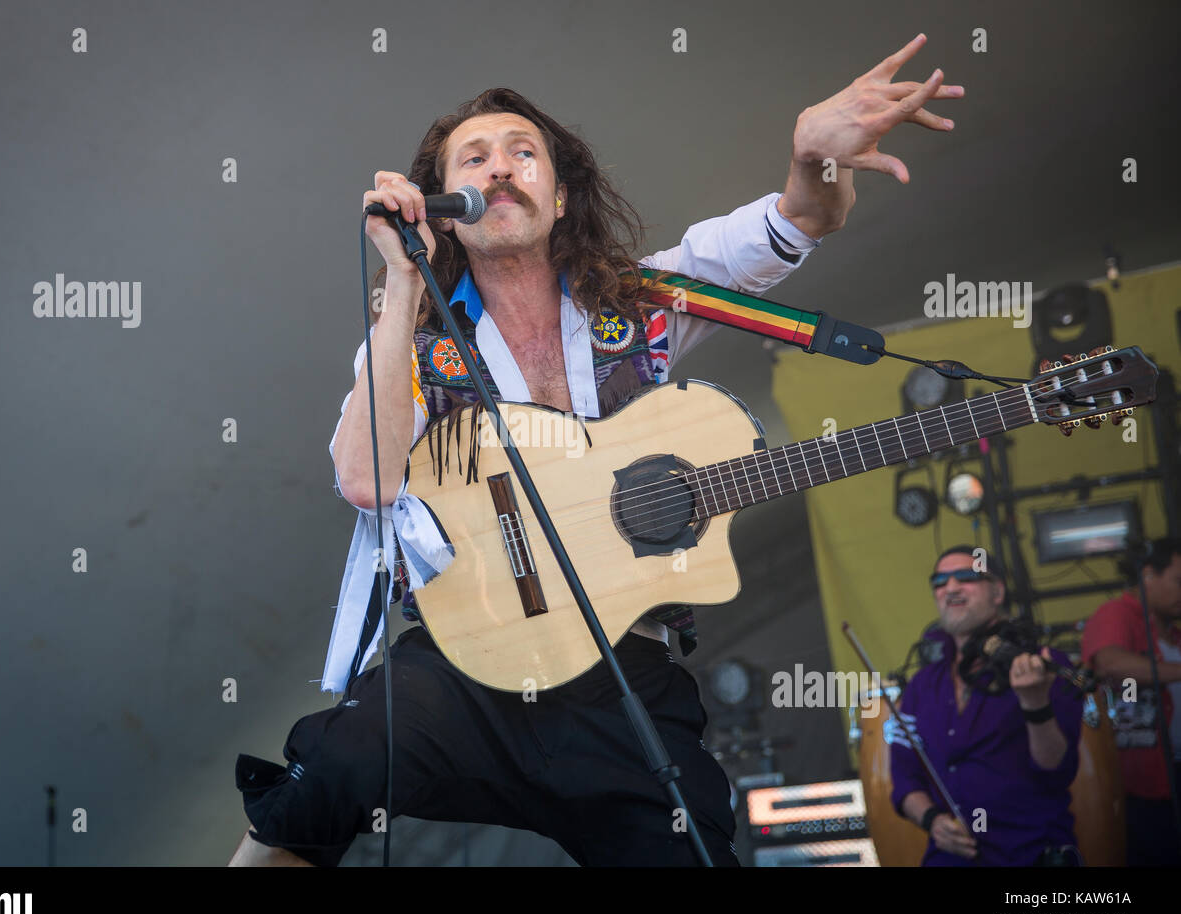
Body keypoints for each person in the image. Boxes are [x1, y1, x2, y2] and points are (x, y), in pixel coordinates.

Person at [231, 35, 966, 867]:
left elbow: (798, 219)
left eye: (524, 153)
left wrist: (817, 163)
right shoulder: (412, 342)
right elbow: (367, 481)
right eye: (473, 159)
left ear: (562, 192)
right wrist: (402, 283)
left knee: (688, 849)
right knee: (329, 769)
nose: (500, 168)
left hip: (626, 676)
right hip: (463, 666)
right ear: (439, 203)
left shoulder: (645, 300)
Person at [889, 546, 1084, 865]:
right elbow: (905, 776)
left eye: (966, 577)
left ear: (997, 592)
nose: (950, 588)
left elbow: (1056, 770)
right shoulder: (922, 685)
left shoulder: (1044, 664)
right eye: (939, 581)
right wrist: (932, 820)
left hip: (1031, 855)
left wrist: (1035, 705)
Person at [1081, 538, 1181, 866]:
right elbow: (1111, 664)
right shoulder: (1117, 613)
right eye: (1179, 581)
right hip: (1142, 784)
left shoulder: (1172, 631)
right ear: (1148, 575)